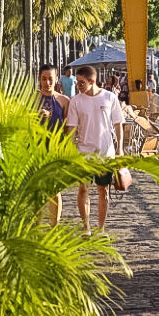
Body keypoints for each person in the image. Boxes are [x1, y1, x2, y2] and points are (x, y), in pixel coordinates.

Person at [65, 64, 125, 231]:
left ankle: (101, 228)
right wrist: (68, 150)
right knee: (83, 189)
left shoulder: (109, 97)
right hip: (84, 153)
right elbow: (71, 128)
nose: (78, 86)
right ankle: (86, 227)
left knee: (103, 191)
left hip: (105, 152)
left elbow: (118, 124)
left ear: (93, 81)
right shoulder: (76, 101)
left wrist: (120, 149)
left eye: (82, 82)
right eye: (77, 82)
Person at [38, 64, 70, 226]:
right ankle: (36, 225)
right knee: (35, 191)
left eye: (50, 78)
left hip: (55, 150)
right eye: (44, 79)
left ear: (56, 79)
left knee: (55, 191)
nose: (47, 82)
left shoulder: (64, 101)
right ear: (39, 79)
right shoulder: (32, 100)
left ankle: (53, 227)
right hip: (35, 150)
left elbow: (67, 130)